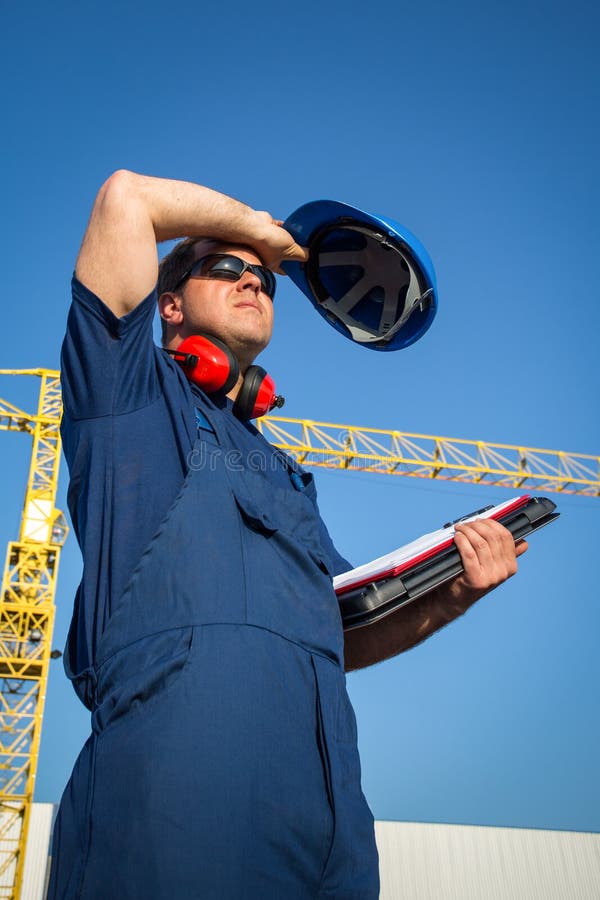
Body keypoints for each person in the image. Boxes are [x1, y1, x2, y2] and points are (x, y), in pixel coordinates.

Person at [48, 170, 527, 900]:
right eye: (225, 268)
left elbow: (347, 632)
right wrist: (259, 231)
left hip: (331, 835)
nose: (254, 281)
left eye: (265, 280)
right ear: (169, 305)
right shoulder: (129, 400)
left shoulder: (282, 471)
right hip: (177, 811)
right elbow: (126, 200)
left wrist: (454, 594)